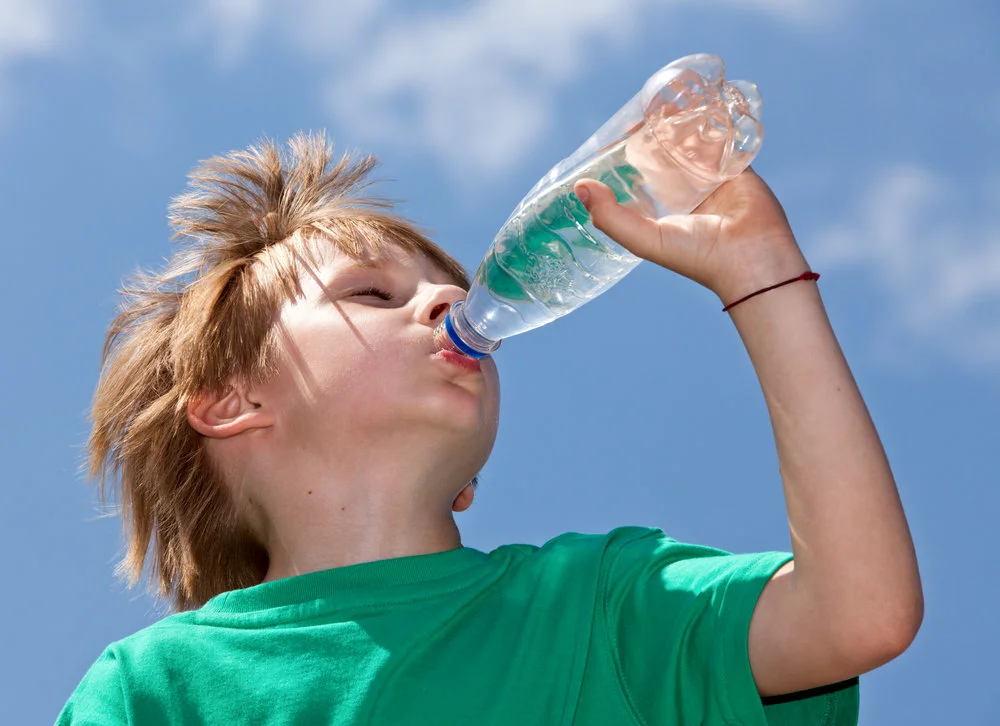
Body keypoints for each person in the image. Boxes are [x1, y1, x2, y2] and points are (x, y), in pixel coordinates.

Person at [56, 132, 922, 725]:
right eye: (372, 293)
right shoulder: (154, 688)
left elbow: (860, 613)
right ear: (230, 403)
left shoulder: (600, 602)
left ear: (469, 482)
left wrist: (763, 277)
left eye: (449, 288)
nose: (446, 300)